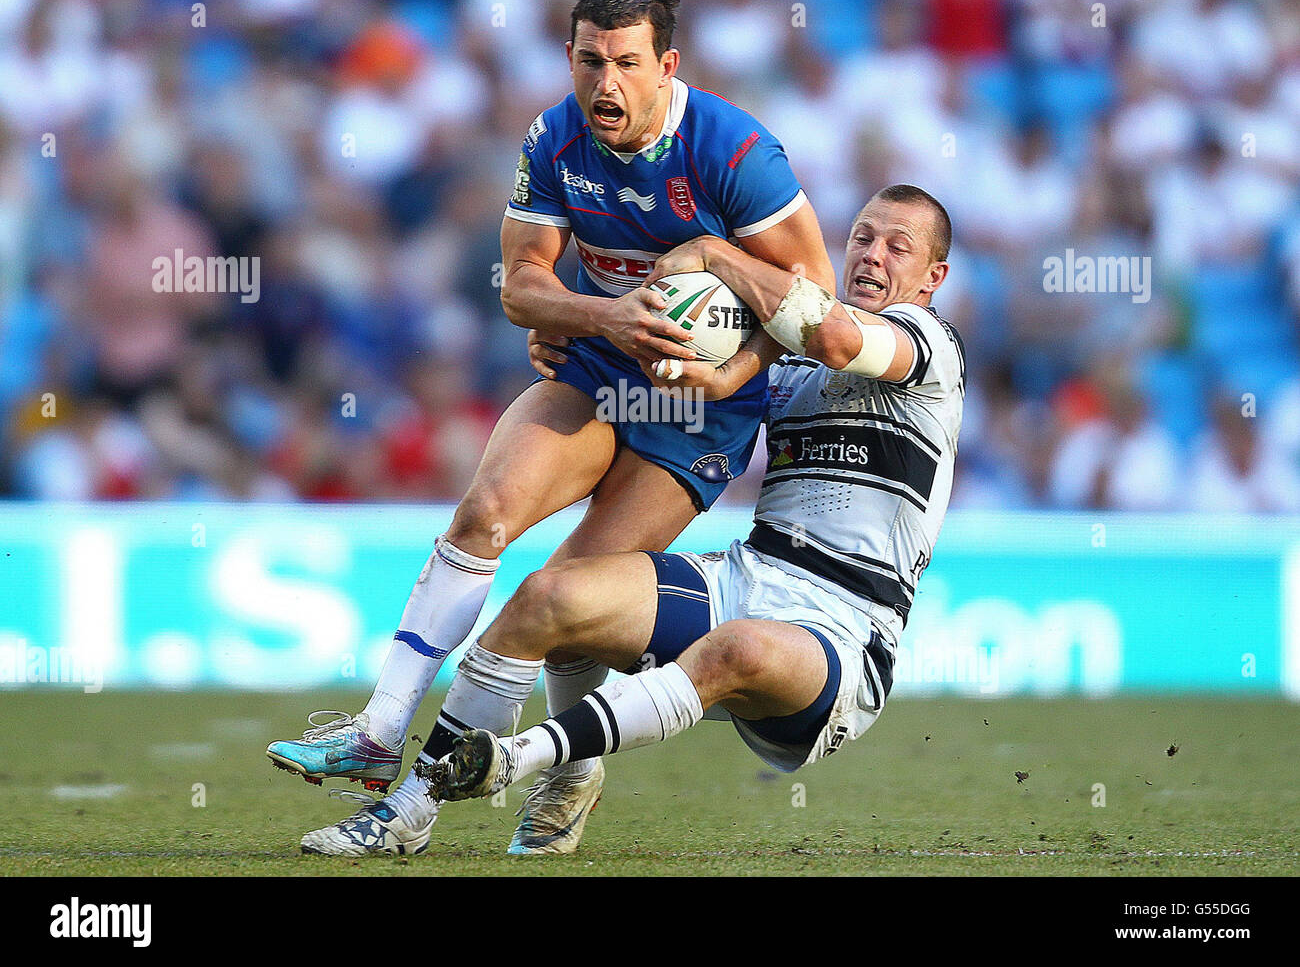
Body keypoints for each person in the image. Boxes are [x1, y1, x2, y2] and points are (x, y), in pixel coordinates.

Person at [270, 0, 834, 855]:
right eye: (588, 60)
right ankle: (381, 743)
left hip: (699, 412)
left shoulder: (735, 153)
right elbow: (522, 283)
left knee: (565, 604)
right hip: (601, 367)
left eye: (626, 64)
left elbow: (816, 298)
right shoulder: (554, 136)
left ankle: (553, 773)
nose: (605, 83)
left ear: (667, 66)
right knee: (483, 515)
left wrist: (734, 379)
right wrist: (593, 315)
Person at [367, 184, 963, 853]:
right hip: (750, 575)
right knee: (550, 599)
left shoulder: (929, 344)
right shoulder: (781, 353)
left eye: (897, 246)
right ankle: (445, 804)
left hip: (843, 636)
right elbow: (672, 365)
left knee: (738, 648)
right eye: (862, 237)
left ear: (932, 277)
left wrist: (713, 252)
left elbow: (833, 334)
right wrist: (573, 335)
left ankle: (519, 756)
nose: (872, 255)